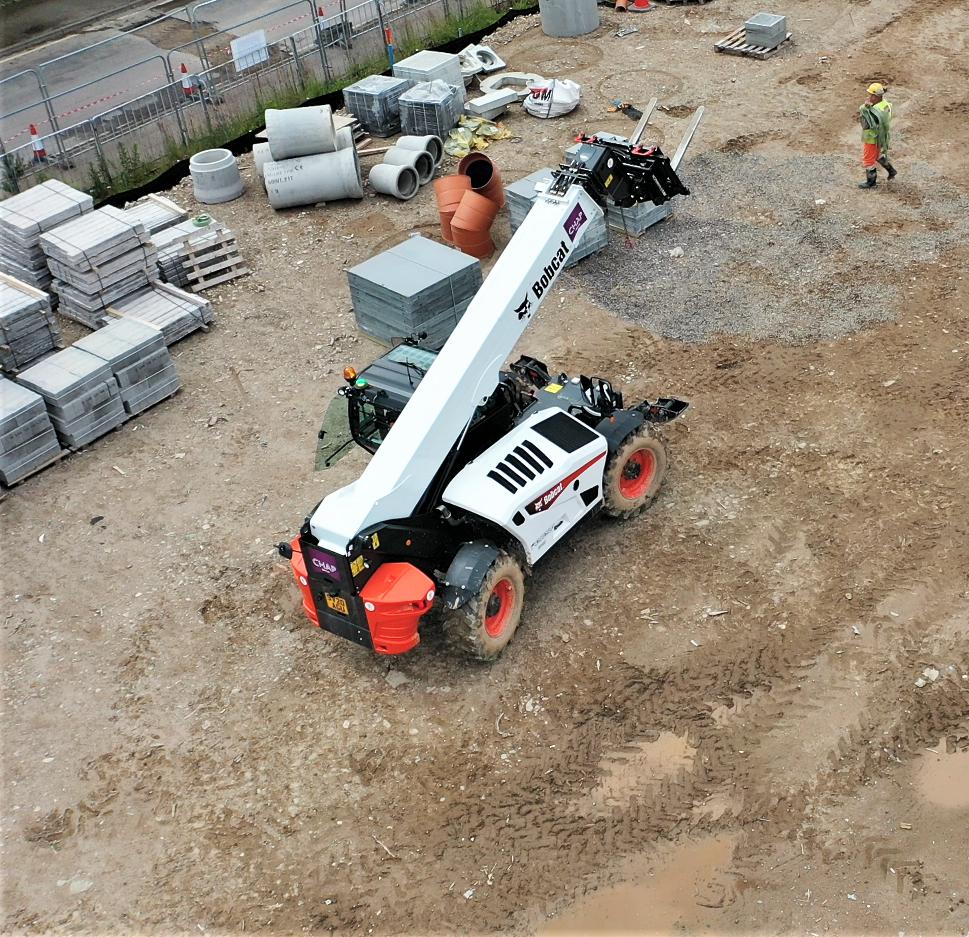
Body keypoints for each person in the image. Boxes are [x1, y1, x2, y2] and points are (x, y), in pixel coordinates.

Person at [858, 82, 896, 188]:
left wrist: (865, 108)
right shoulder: (886, 104)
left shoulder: (875, 110)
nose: (869, 97)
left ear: (876, 96)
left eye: (871, 95)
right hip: (881, 136)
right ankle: (891, 171)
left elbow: (867, 125)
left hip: (872, 138)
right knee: (878, 155)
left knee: (868, 159)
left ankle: (871, 182)